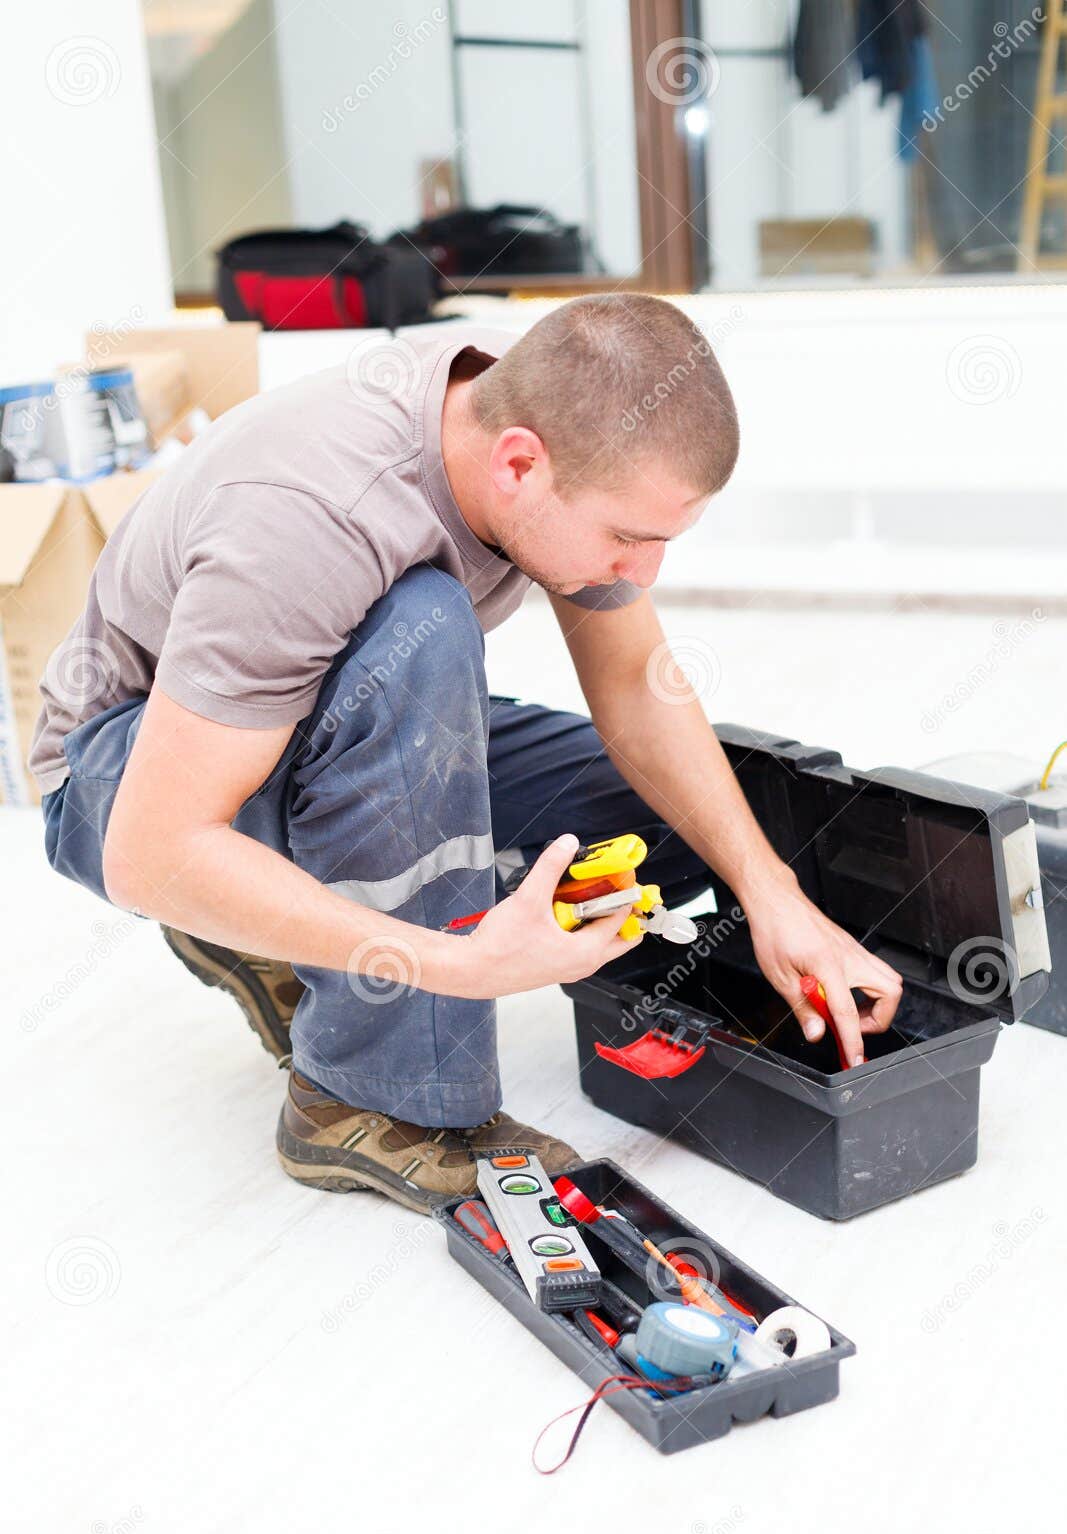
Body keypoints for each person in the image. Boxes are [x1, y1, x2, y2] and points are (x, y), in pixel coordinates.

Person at [30, 294, 902, 1213]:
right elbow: (150, 851)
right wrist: (456, 967)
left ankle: (276, 927)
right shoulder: (311, 519)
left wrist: (774, 895)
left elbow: (638, 692)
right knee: (426, 622)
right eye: (627, 538)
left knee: (669, 823)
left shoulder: (527, 403)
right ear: (519, 463)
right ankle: (362, 1100)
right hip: (126, 778)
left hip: (306, 723)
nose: (644, 575)